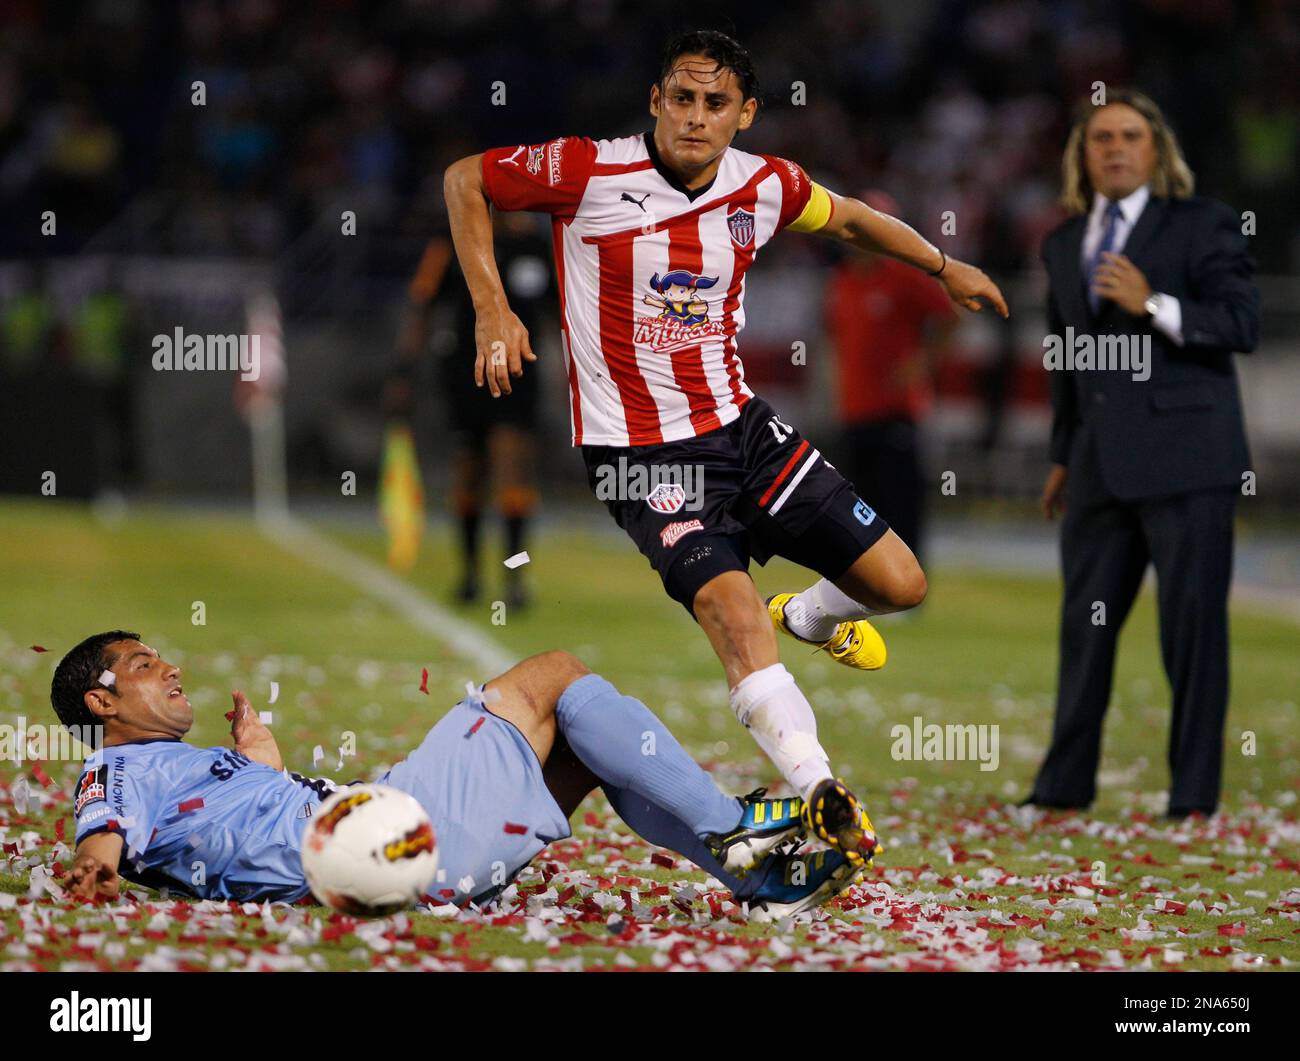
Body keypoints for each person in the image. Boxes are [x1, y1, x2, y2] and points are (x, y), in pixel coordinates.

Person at [441, 29, 1008, 860]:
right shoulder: (587, 169)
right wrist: (492, 306)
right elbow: (465, 179)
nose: (695, 118)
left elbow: (849, 218)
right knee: (729, 609)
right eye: (681, 98)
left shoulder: (765, 184)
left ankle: (811, 614)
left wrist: (941, 264)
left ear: (745, 114)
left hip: (742, 428)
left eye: (715, 104)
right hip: (643, 454)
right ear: (655, 101)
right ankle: (821, 790)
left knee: (902, 581)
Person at [56, 631, 867, 920]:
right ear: (103, 699)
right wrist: (95, 867)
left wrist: (258, 751)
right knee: (551, 675)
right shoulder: (114, 765)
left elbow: (236, 820)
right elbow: (104, 830)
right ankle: (738, 839)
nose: (165, 667)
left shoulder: (176, 766)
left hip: (388, 837)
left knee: (580, 747)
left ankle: (753, 870)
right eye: (139, 663)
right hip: (385, 841)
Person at [1026, 91, 1260, 818]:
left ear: (1156, 151)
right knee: (1083, 630)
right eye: (1101, 137)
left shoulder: (1204, 224)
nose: (1115, 148)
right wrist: (1063, 453)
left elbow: (1241, 323)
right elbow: (1068, 359)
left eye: (1130, 136)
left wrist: (1152, 302)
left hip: (1189, 462)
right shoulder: (1063, 243)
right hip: (1097, 468)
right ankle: (1063, 788)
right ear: (1082, 153)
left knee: (1190, 634)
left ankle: (1192, 797)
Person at [385, 213, 552, 608]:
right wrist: (403, 371)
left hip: (520, 370)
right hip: (466, 371)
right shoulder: (457, 241)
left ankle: (514, 577)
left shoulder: (541, 248)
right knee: (470, 473)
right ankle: (471, 576)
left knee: (512, 468)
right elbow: (422, 305)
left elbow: (561, 313)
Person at [824, 189, 957, 564]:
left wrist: (922, 363)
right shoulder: (842, 282)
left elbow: (949, 319)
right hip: (853, 409)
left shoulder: (904, 277)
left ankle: (908, 582)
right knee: (857, 504)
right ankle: (866, 582)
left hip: (897, 409)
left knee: (901, 500)